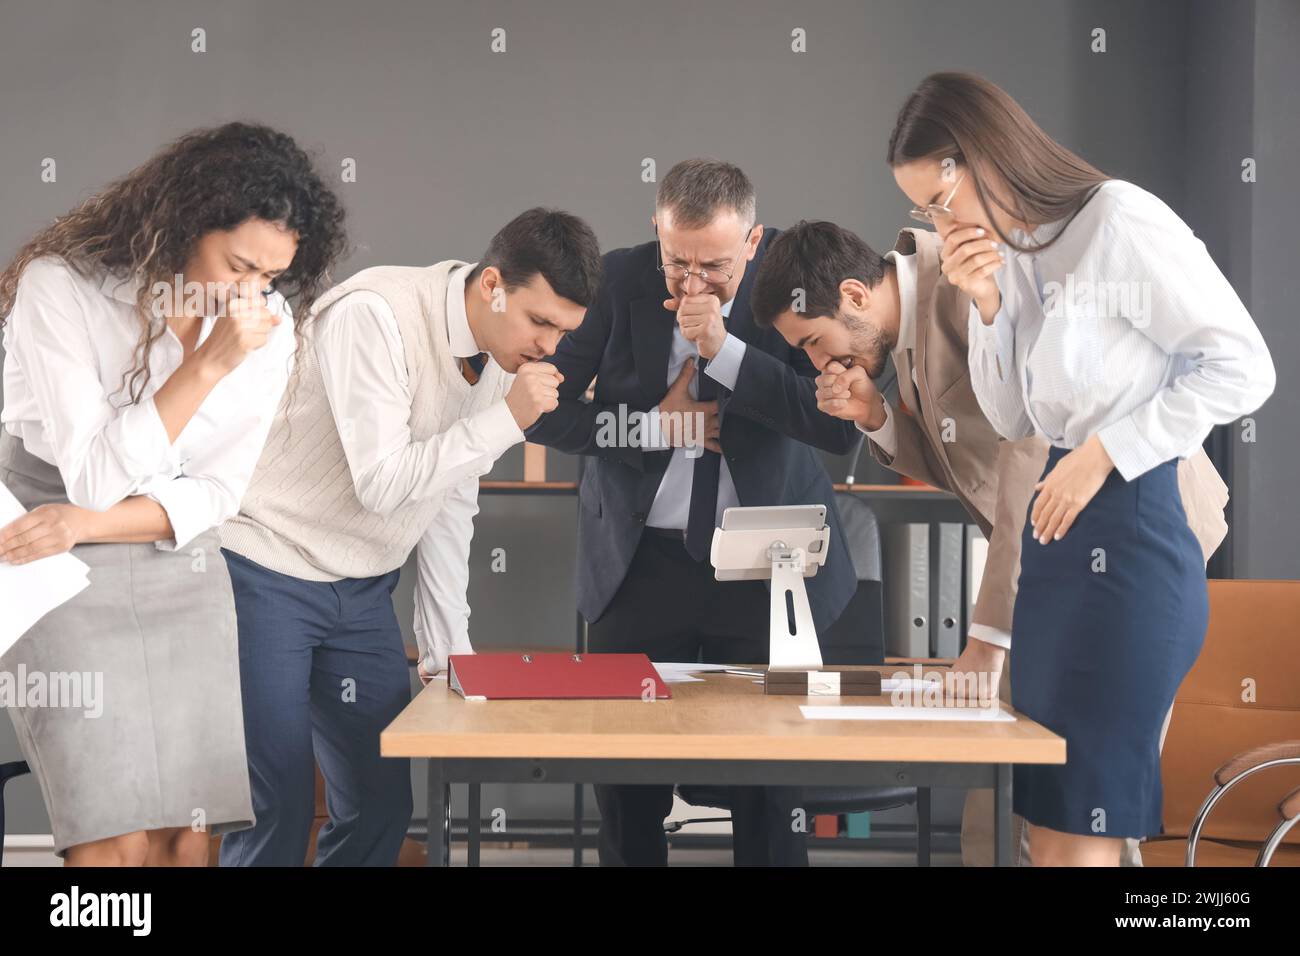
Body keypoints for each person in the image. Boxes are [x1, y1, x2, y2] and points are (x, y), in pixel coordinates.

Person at [751, 217, 1232, 866]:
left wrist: (987, 639)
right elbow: (966, 463)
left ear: (855, 296)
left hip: (1130, 540)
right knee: (1000, 807)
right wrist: (876, 415)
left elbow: (1031, 460)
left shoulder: (975, 289)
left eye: (812, 341)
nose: (815, 363)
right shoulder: (906, 322)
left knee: (1087, 802)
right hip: (1054, 557)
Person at [886, 72, 1275, 865]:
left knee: (1080, 835)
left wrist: (1104, 452)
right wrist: (987, 302)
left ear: (985, 161)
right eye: (924, 210)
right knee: (1047, 826)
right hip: (1057, 555)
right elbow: (1014, 419)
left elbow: (1244, 368)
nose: (938, 222)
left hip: (1132, 540)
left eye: (940, 200)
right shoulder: (1023, 252)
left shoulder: (1119, 220)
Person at [0, 122, 346, 866]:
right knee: (113, 832)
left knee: (185, 836)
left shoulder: (266, 323)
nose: (251, 293)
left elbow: (218, 491)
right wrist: (208, 366)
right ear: (187, 222)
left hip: (168, 554)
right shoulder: (60, 286)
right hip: (49, 553)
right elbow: (92, 476)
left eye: (271, 277)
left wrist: (86, 526)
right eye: (239, 264)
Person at [216, 207, 602, 866]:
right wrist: (508, 420)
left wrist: (448, 649)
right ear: (491, 286)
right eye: (539, 322)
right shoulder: (374, 315)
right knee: (278, 805)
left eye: (563, 333)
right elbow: (383, 482)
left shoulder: (505, 358)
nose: (547, 347)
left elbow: (450, 501)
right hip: (266, 568)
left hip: (362, 590)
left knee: (381, 804)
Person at [525, 159, 860, 866]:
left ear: (753, 242)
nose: (693, 283)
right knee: (627, 789)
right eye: (678, 262)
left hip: (766, 569)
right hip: (639, 564)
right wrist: (652, 427)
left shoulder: (789, 287)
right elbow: (541, 417)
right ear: (657, 231)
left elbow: (837, 427)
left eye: (714, 266)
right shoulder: (617, 282)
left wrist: (727, 351)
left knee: (770, 793)